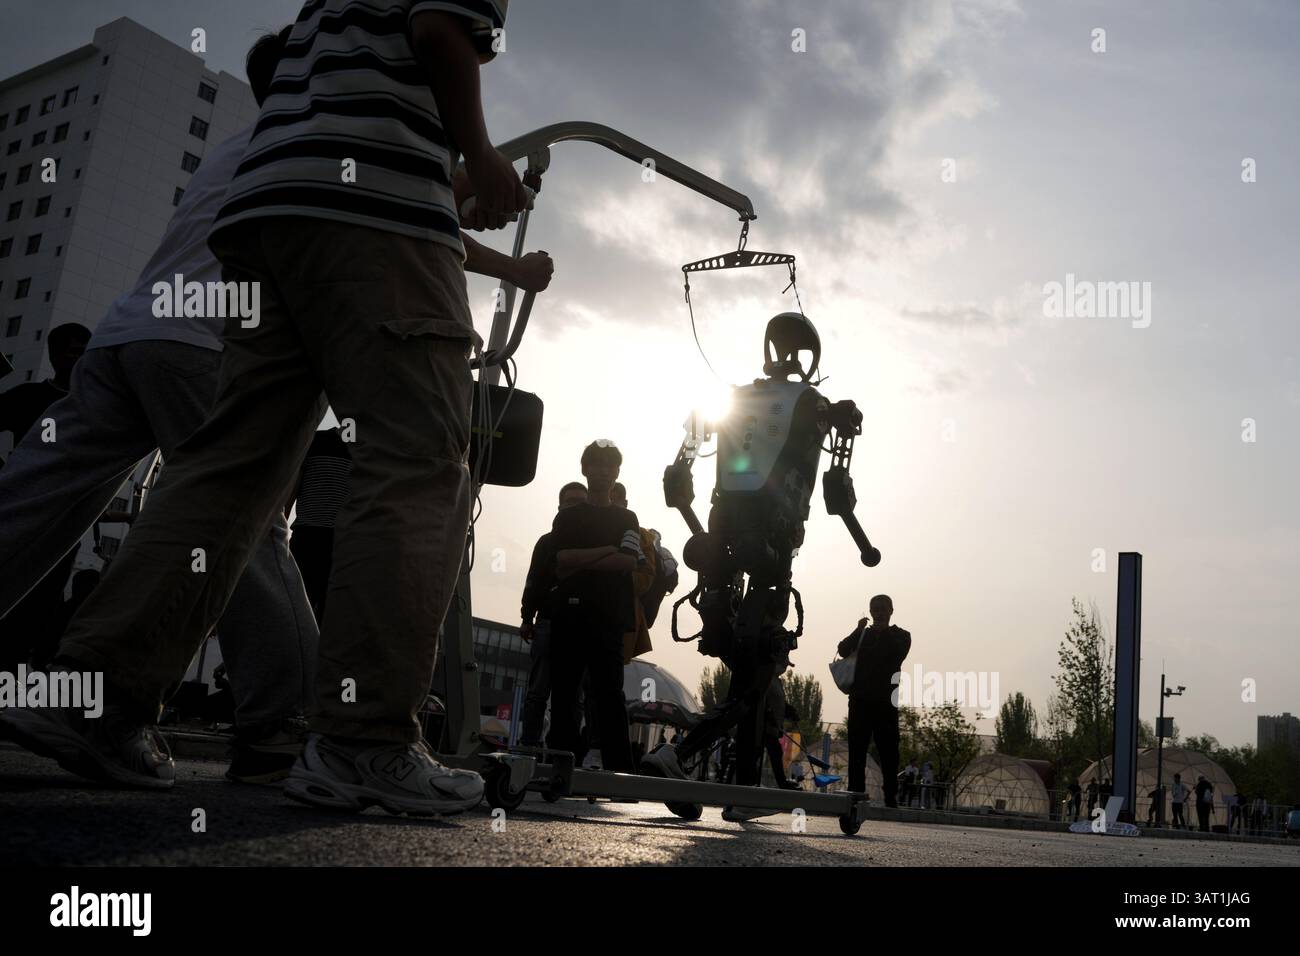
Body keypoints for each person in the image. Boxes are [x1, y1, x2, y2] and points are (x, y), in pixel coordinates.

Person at [1, 1, 530, 816]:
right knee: (416, 461)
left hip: (269, 214)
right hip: (373, 220)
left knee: (227, 472)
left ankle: (93, 698)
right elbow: (438, 29)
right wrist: (484, 157)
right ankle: (363, 741)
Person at [0, 39, 318, 785]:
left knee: (30, 503)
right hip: (200, 344)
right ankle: (283, 725)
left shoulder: (236, 144)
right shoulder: (312, 140)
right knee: (239, 522)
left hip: (123, 337)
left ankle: (107, 700)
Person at [545, 441, 643, 774]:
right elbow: (561, 559)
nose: (602, 471)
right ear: (584, 469)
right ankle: (560, 766)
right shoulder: (569, 516)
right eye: (596, 465)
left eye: (609, 466)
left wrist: (584, 558)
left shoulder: (628, 517)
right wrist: (606, 549)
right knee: (564, 692)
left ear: (616, 472)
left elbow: (628, 562)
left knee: (610, 695)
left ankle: (621, 771)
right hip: (569, 615)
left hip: (609, 617)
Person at [0, 323, 93, 670]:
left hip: (66, 524)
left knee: (44, 603)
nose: (82, 360)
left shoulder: (94, 407)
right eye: (74, 352)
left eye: (87, 353)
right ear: (55, 356)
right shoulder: (27, 398)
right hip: (19, 515)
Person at [518, 481, 587, 746]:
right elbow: (533, 579)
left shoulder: (592, 541)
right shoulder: (547, 542)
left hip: (581, 625)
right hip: (548, 620)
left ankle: (563, 748)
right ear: (560, 506)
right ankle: (529, 744)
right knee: (538, 691)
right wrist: (527, 616)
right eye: (570, 501)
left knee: (574, 695)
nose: (575, 506)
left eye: (580, 502)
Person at [836, 594, 911, 808]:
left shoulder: (901, 635)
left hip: (886, 703)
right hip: (860, 701)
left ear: (890, 610)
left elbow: (898, 654)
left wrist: (884, 632)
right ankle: (856, 794)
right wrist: (858, 629)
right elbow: (842, 649)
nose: (878, 612)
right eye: (875, 608)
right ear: (870, 611)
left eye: (882, 608)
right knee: (857, 749)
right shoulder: (863, 635)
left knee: (889, 751)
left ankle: (890, 796)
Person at [286, 426, 354, 624]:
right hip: (310, 539)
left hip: (340, 543)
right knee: (296, 611)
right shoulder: (314, 440)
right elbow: (292, 489)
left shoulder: (366, 451)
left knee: (327, 617)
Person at [609, 482, 658, 664]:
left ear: (625, 503)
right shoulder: (585, 526)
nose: (611, 504)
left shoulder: (639, 536)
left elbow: (646, 577)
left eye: (616, 500)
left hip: (621, 616)